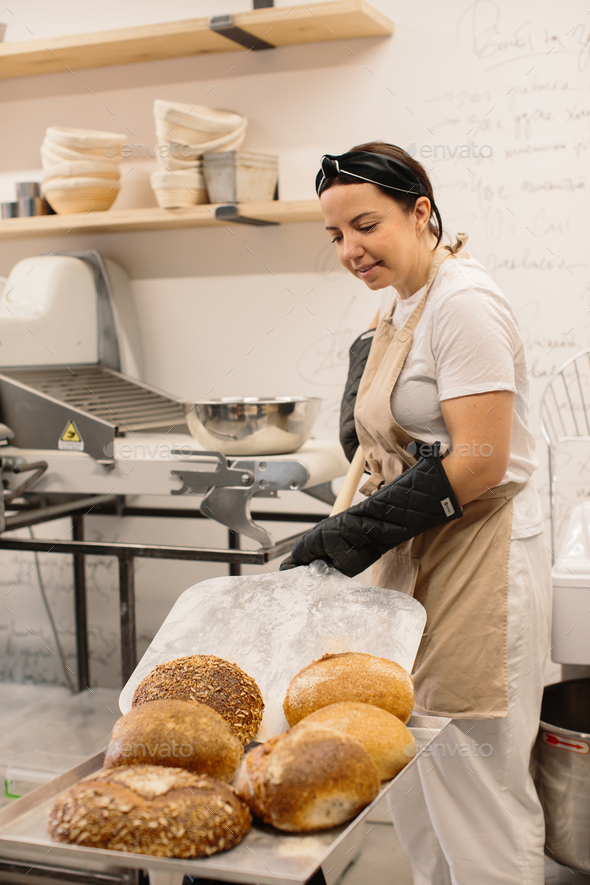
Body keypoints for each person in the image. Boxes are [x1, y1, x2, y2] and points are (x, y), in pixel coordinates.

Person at [281, 142, 551, 885]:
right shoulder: (403, 302)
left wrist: (347, 534)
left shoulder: (464, 302)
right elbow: (400, 440)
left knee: (476, 787)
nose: (350, 249)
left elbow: (480, 458)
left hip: (477, 561)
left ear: (421, 211)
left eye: (365, 225)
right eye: (335, 235)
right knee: (417, 783)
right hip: (417, 559)